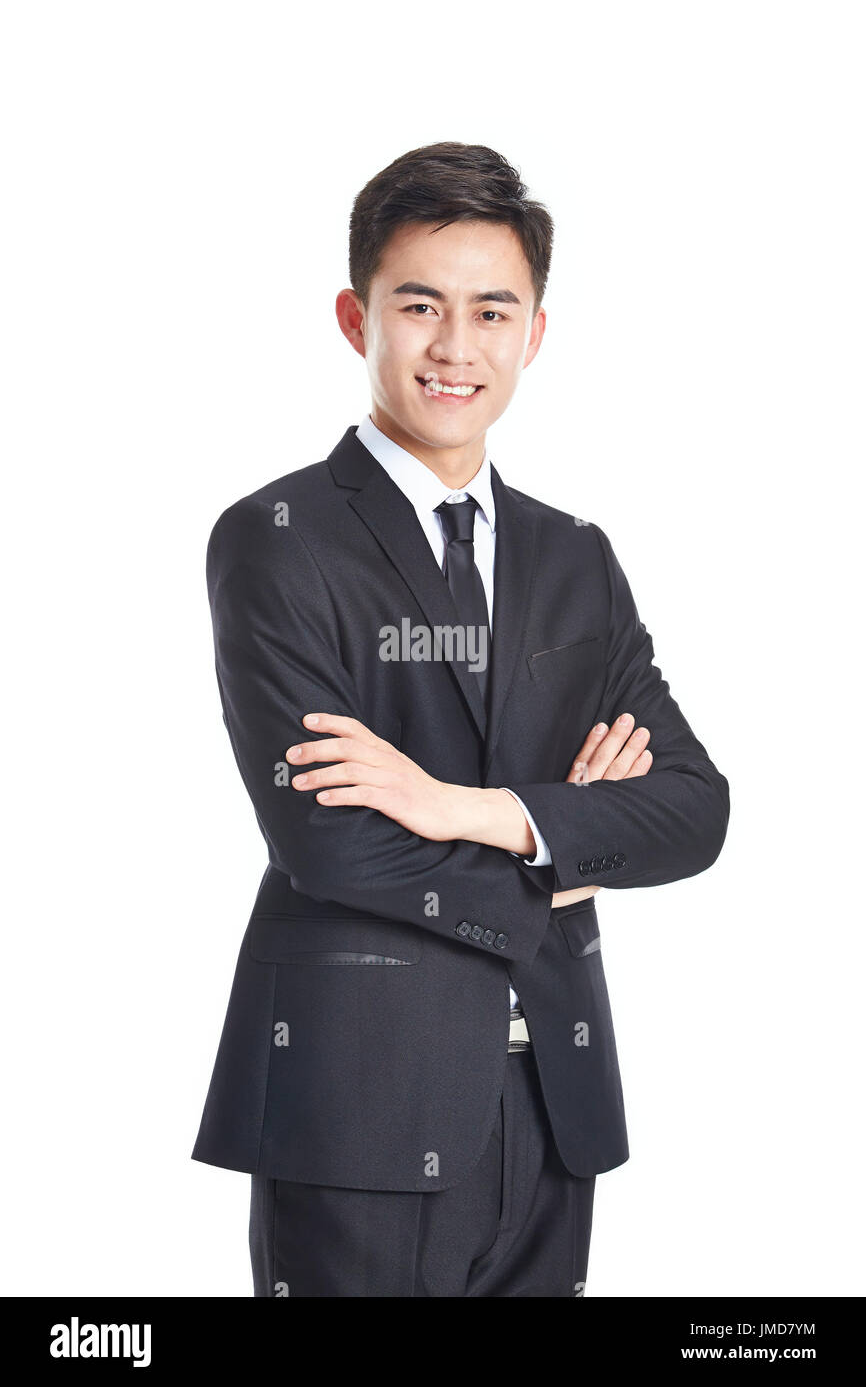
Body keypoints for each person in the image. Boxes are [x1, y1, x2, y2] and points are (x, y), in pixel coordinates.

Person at [191, 141, 730, 1297]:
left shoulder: (571, 556)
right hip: (354, 1105)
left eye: (492, 310)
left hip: (551, 1102)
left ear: (533, 331)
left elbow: (690, 809)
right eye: (418, 306)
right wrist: (558, 845)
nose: (454, 347)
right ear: (356, 318)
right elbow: (326, 838)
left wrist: (458, 808)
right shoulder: (276, 541)